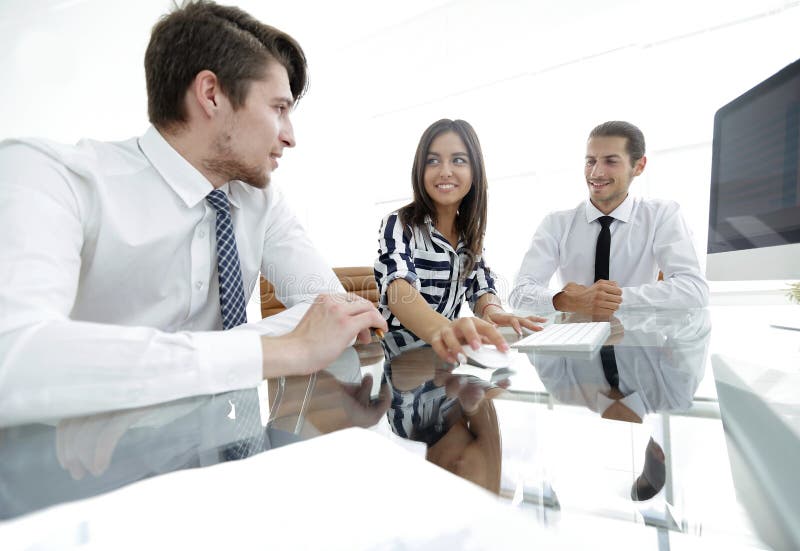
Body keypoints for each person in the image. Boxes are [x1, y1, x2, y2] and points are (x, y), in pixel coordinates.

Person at [0, 1, 386, 426]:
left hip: (218, 449)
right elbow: (16, 357)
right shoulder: (49, 175)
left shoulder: (260, 199)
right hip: (81, 474)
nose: (290, 136)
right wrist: (282, 350)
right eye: (279, 108)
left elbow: (331, 308)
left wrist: (130, 372)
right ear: (211, 94)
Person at [374, 119, 543, 361]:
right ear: (420, 170)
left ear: (474, 171)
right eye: (432, 161)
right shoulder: (400, 223)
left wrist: (492, 310)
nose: (445, 171)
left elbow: (482, 287)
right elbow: (400, 290)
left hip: (446, 360)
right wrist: (446, 329)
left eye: (458, 160)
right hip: (401, 360)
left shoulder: (470, 233)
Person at [509, 121, 709, 317]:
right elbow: (519, 293)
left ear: (639, 166)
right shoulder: (556, 223)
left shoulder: (661, 215)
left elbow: (693, 290)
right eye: (591, 161)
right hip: (573, 343)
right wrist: (567, 300)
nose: (596, 173)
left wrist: (604, 300)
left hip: (639, 343)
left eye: (611, 161)